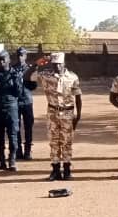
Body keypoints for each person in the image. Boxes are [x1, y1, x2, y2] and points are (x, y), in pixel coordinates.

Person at [26, 53, 82, 181]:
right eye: (55, 64)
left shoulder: (72, 77)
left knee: (67, 142)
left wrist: (78, 115)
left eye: (59, 64)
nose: (57, 66)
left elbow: (78, 96)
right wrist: (37, 63)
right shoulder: (46, 76)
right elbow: (27, 77)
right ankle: (55, 170)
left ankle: (67, 170)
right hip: (52, 112)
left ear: (64, 64)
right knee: (54, 142)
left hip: (68, 113)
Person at [0, 50, 23, 171]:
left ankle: (12, 160)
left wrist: (17, 82)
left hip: (11, 107)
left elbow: (19, 93)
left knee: (13, 135)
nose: (1, 62)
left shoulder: (15, 74)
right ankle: (0, 160)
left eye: (4, 59)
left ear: (9, 60)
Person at [14, 47, 36, 160]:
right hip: (16, 102)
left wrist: (28, 79)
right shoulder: (12, 69)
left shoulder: (30, 69)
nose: (20, 57)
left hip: (27, 101)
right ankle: (18, 151)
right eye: (18, 54)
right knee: (16, 127)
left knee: (28, 126)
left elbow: (33, 87)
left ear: (25, 56)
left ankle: (28, 151)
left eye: (22, 55)